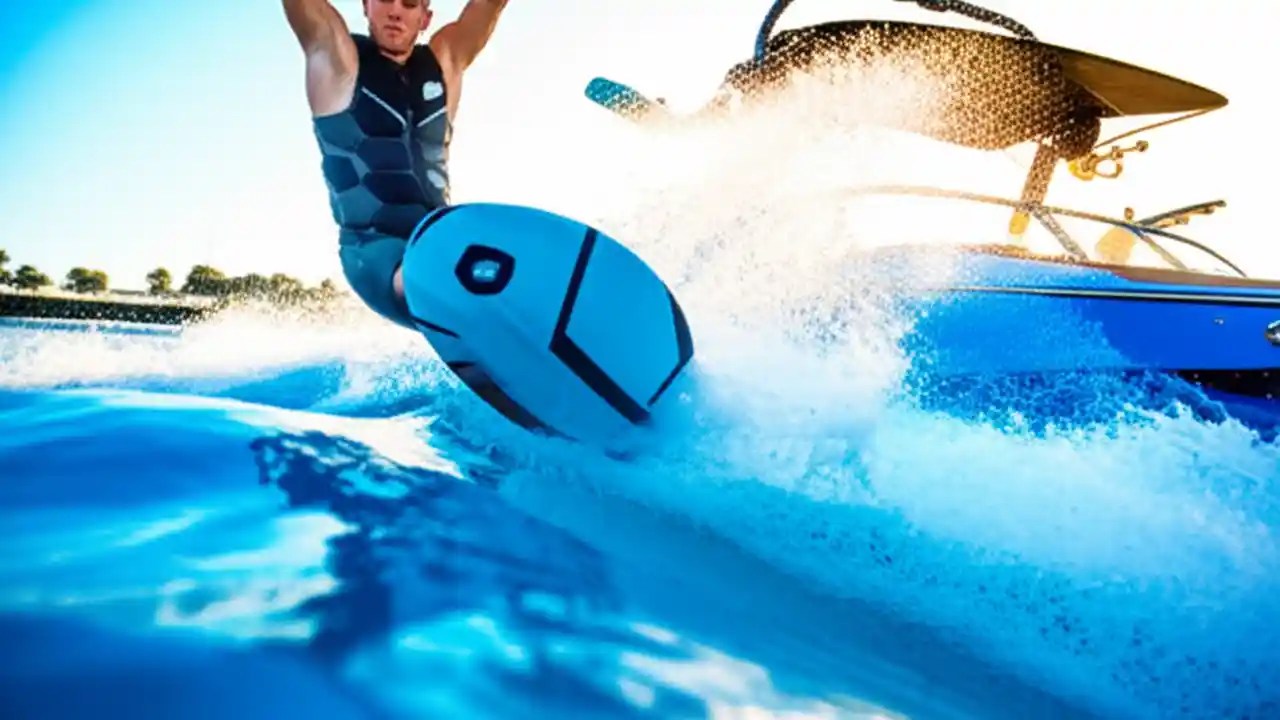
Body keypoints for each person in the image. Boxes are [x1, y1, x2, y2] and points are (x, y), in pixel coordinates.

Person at [282, 0, 510, 329]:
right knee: (440, 277)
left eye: (409, 4)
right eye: (385, 0)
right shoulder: (336, 58)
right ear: (366, 6)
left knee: (505, 262)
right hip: (373, 251)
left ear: (425, 17)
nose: (395, 12)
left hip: (439, 240)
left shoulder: (444, 64)